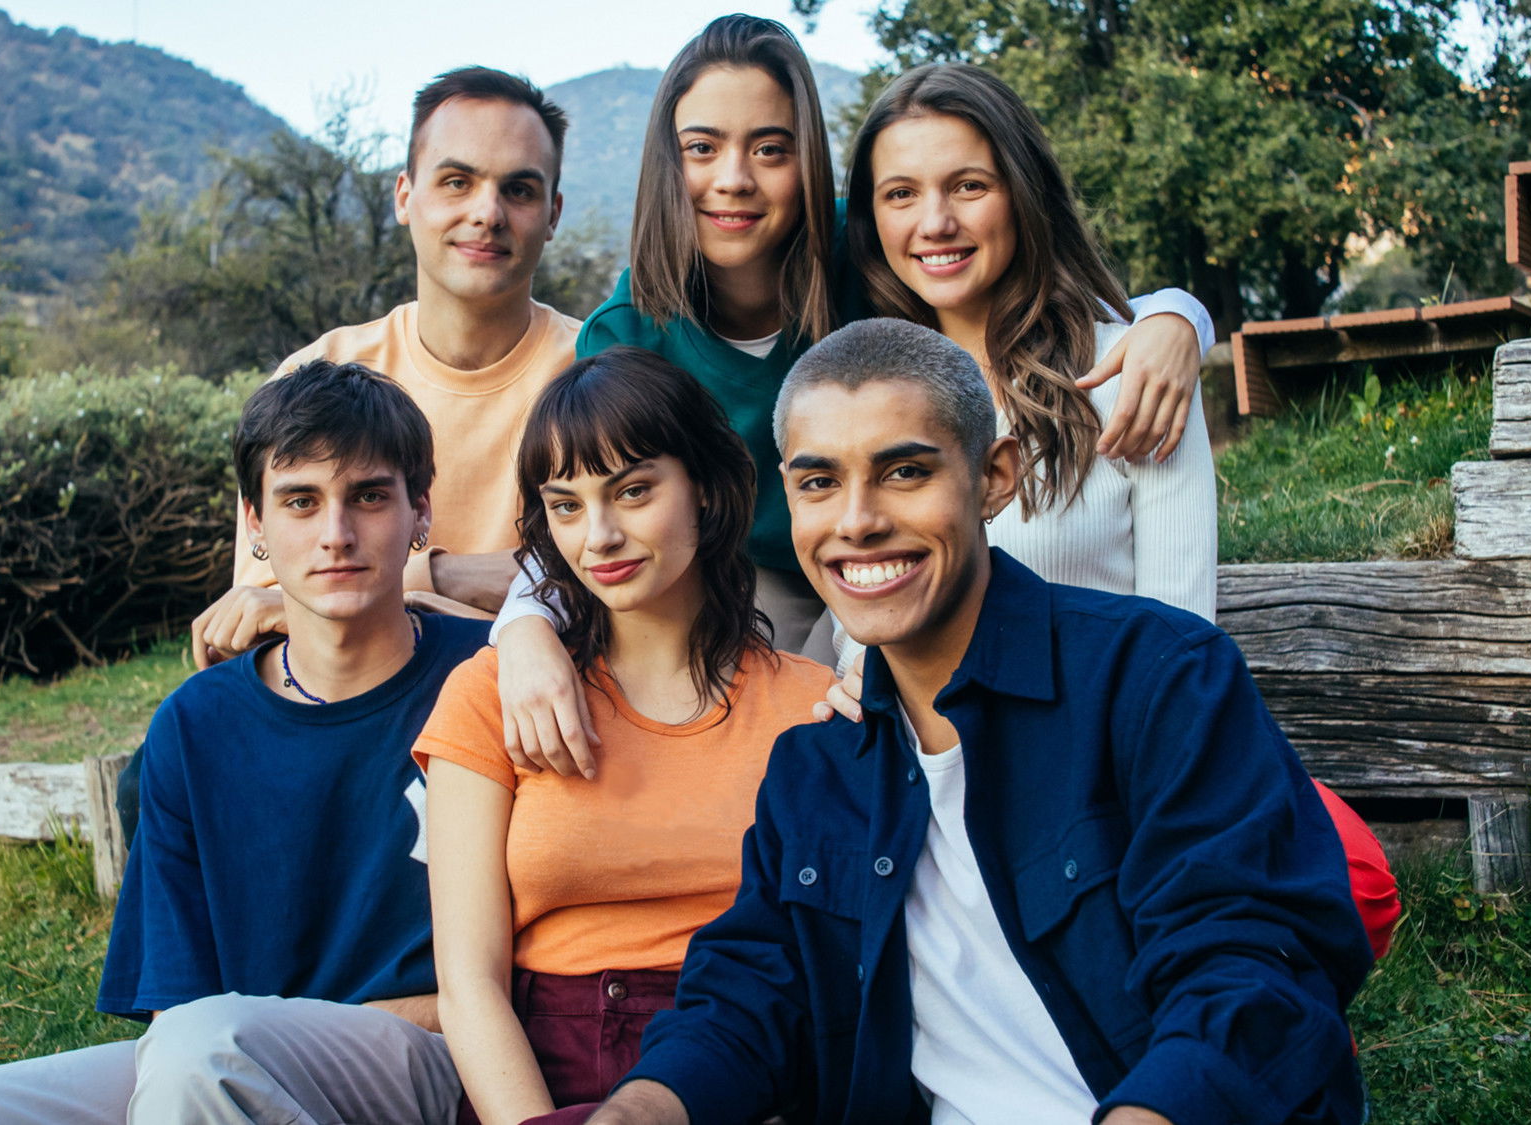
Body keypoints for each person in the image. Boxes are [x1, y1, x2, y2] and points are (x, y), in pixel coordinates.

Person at [580, 318, 1373, 1125]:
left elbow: (1254, 965)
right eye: (819, 483)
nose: (856, 520)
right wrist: (642, 1109)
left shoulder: (1156, 677)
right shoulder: (818, 770)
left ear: (994, 477)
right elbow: (748, 995)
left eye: (905, 472)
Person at [492, 14, 1216, 775]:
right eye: (702, 147)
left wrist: (1177, 315)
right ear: (666, 163)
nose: (734, 178)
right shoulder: (631, 335)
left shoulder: (858, 256)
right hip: (741, 581)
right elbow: (575, 504)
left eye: (770, 149)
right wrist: (522, 625)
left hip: (896, 615)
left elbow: (1011, 280)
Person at [821, 62, 1399, 955]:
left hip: (1112, 756)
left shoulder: (1128, 369)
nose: (934, 222)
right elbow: (864, 627)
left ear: (1020, 192)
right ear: (872, 222)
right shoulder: (864, 394)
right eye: (901, 193)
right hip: (933, 772)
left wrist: (1176, 318)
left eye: (967, 185)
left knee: (1338, 881)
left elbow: (1179, 632)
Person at [0, 362, 484, 1124]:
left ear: (421, 513)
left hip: (432, 1061)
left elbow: (548, 977)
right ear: (255, 524)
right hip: (221, 1060)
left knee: (204, 1051)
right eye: (300, 501)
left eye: (369, 496)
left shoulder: (489, 677)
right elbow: (176, 1005)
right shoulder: (195, 722)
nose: (335, 534)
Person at [412, 347, 837, 1124]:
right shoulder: (486, 695)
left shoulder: (813, 708)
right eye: (567, 505)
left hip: (751, 1066)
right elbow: (469, 982)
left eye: (633, 491)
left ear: (704, 489)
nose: (599, 535)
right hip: (543, 1078)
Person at [191, 65, 579, 667]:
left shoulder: (597, 374)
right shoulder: (322, 372)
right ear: (405, 196)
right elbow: (258, 616)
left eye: (519, 190)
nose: (487, 212)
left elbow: (617, 599)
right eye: (456, 181)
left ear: (552, 214)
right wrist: (445, 576)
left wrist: (391, 593)